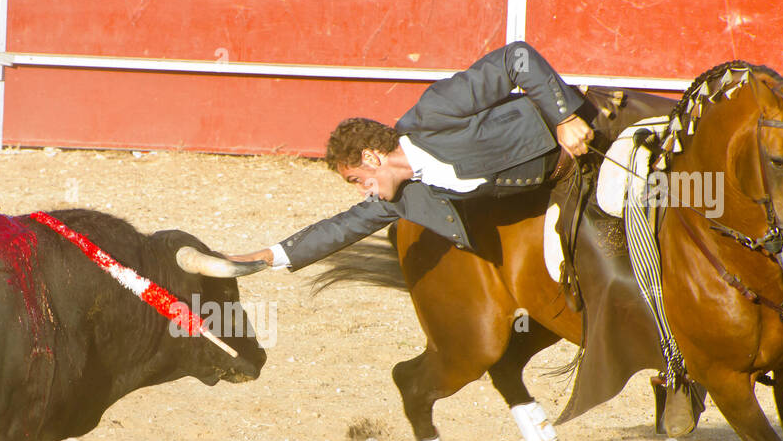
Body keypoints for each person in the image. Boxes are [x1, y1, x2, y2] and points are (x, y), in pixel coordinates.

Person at [226, 41, 593, 270]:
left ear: (372, 157)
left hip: (592, 136)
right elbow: (340, 228)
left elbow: (517, 58)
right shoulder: (403, 196)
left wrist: (563, 117)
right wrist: (269, 256)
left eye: (357, 179)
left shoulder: (435, 112)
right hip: (562, 190)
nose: (361, 190)